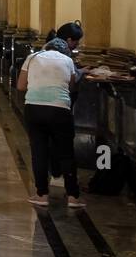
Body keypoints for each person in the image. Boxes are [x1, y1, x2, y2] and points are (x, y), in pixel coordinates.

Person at [18, 36, 85, 208]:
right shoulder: (68, 60)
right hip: (60, 109)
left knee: (39, 152)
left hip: (34, 108)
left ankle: (41, 194)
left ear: (46, 48)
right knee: (66, 153)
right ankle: (73, 196)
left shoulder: (32, 58)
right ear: (64, 50)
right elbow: (71, 86)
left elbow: (20, 86)